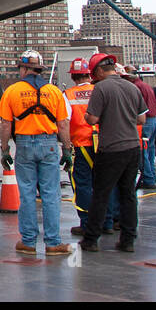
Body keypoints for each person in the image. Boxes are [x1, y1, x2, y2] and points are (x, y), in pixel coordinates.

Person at [0, 50, 72, 256]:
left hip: (24, 144)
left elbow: (5, 124)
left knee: (27, 194)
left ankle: (28, 242)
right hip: (48, 144)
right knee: (50, 194)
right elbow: (63, 124)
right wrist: (66, 149)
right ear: (39, 70)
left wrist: (4, 150)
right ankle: (53, 243)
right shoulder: (54, 92)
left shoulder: (12, 91)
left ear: (24, 68)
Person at [80, 54, 146, 253]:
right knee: (128, 195)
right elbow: (142, 119)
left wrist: (89, 116)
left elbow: (92, 119)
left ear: (99, 71)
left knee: (101, 194)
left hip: (111, 149)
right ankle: (128, 240)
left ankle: (91, 239)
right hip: (133, 148)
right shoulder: (132, 87)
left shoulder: (101, 88)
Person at [63, 58, 118, 238]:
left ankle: (87, 222)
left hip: (81, 145)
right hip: (104, 143)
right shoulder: (100, 90)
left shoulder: (68, 95)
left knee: (83, 184)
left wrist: (66, 146)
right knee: (104, 183)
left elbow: (64, 122)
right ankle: (107, 221)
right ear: (89, 74)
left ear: (73, 77)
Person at [122, 66, 156, 189]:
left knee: (143, 153)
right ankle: (151, 177)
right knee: (150, 151)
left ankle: (148, 179)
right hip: (153, 121)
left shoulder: (135, 87)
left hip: (145, 122)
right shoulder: (145, 85)